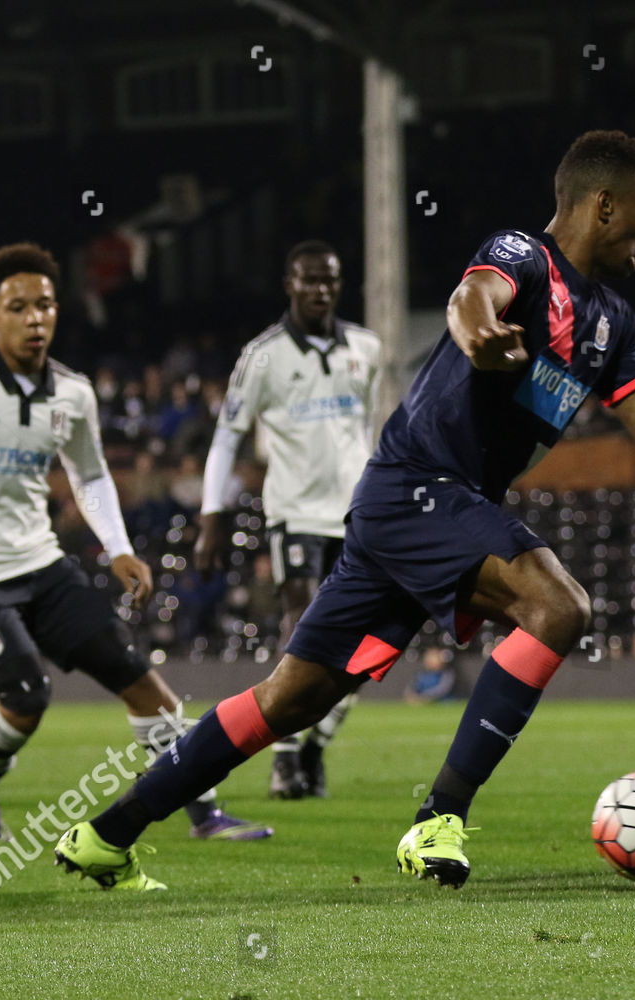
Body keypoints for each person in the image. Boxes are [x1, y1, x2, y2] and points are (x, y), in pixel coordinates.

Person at [49, 129, 635, 891]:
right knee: (559, 605)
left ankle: (105, 833)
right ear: (601, 207)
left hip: (419, 507)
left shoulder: (612, 322)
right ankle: (438, 816)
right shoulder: (522, 256)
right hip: (419, 485)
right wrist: (477, 331)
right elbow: (475, 297)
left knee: (287, 700)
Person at [0, 242, 269, 853]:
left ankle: (204, 811)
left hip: (41, 563)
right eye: (18, 307)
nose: (35, 317)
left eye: (44, 305)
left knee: (142, 682)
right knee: (25, 696)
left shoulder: (72, 393)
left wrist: (117, 547)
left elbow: (91, 474)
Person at [194, 240, 381, 799]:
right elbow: (227, 438)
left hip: (356, 515)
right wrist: (211, 515)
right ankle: (281, 754)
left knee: (367, 646)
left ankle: (314, 744)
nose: (321, 290)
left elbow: (367, 431)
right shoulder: (263, 356)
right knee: (304, 630)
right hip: (294, 513)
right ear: (289, 285)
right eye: (309, 281)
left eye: (330, 280)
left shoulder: (366, 349)